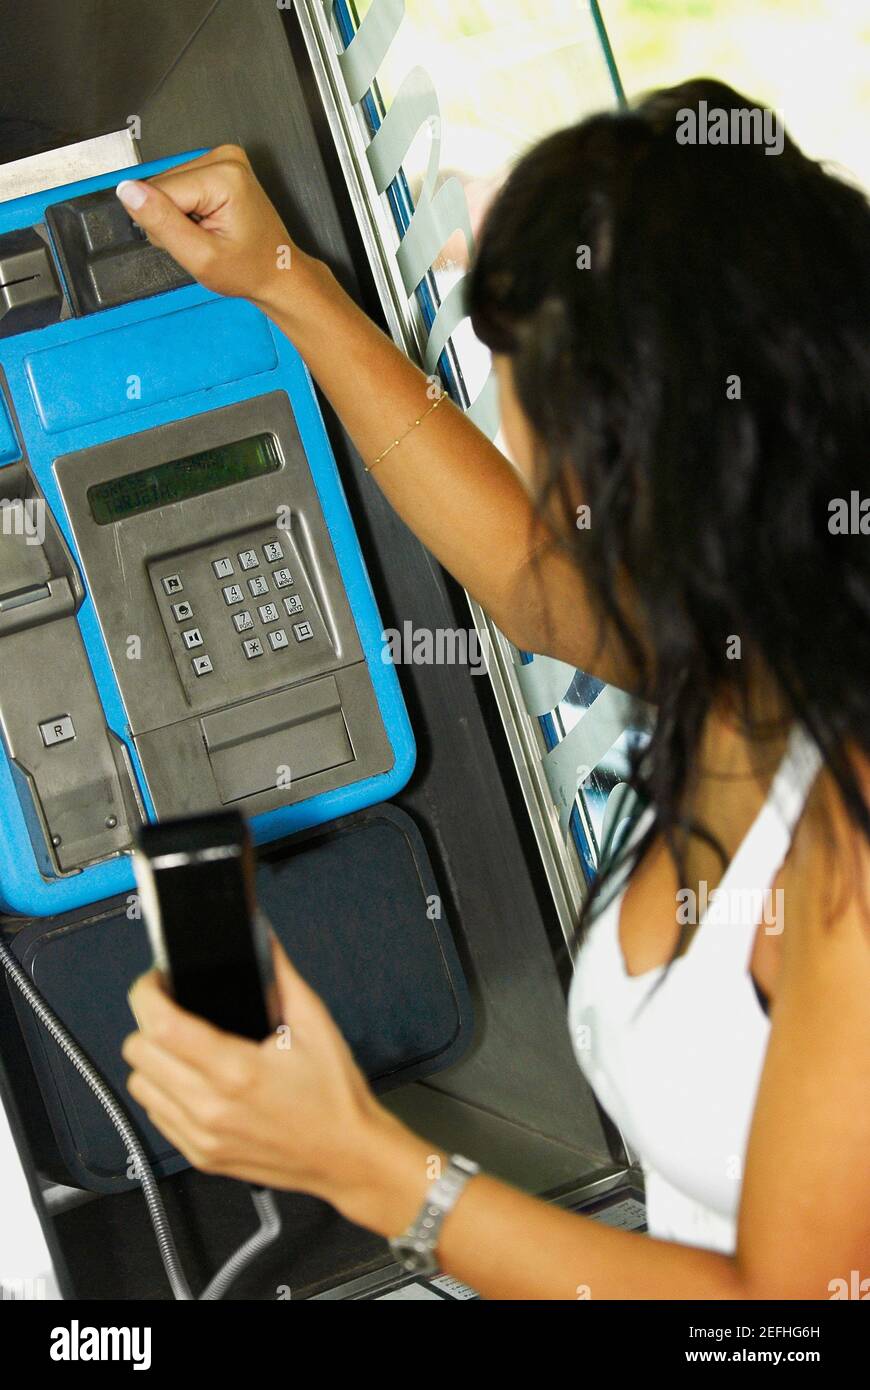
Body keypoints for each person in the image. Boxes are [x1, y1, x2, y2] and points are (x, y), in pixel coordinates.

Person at [120, 79, 870, 1299]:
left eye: (532, 417)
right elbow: (533, 587)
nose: (536, 478)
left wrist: (372, 1170)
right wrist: (284, 283)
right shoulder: (755, 640)